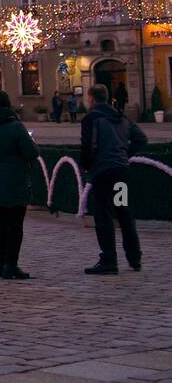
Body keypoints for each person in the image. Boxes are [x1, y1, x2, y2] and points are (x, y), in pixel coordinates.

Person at [79, 84, 144, 274]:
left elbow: (86, 146)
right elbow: (141, 139)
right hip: (120, 172)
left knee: (103, 215)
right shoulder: (121, 116)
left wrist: (86, 165)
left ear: (91, 98)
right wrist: (125, 154)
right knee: (124, 212)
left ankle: (109, 260)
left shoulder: (92, 118)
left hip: (102, 173)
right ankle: (134, 258)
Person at [0, 90, 39, 280]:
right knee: (15, 224)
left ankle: (0, 264)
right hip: (14, 180)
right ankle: (10, 265)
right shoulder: (15, 126)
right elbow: (31, 152)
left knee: (3, 222)